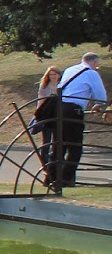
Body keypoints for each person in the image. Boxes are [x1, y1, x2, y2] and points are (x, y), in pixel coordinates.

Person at [52, 53, 107, 189]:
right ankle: (65, 181)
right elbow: (100, 95)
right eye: (96, 64)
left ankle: (51, 178)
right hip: (73, 110)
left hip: (58, 107)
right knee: (75, 148)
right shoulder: (91, 73)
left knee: (59, 146)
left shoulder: (70, 69)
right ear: (93, 62)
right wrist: (98, 105)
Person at [31, 66, 63, 170]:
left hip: (58, 116)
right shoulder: (45, 86)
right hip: (47, 116)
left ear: (59, 75)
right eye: (51, 75)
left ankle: (55, 163)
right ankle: (45, 163)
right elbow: (40, 101)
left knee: (57, 141)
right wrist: (38, 114)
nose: (53, 76)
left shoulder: (63, 85)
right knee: (46, 141)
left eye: (55, 74)